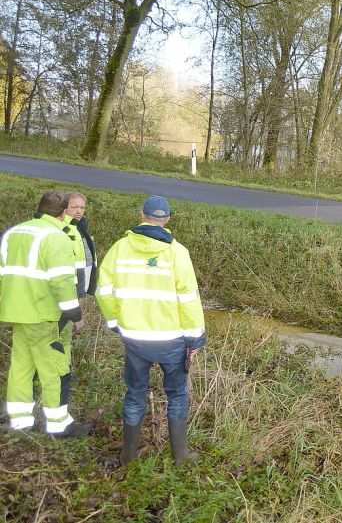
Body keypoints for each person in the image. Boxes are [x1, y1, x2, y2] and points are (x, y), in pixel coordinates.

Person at [96, 195, 206, 466]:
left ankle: (128, 457)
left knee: (134, 393)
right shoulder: (177, 253)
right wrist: (194, 340)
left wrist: (115, 324)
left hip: (135, 338)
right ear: (167, 219)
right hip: (171, 339)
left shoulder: (120, 248)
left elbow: (104, 292)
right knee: (177, 394)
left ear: (142, 215)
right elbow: (189, 299)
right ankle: (181, 457)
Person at [1, 190, 91, 438]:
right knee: (53, 368)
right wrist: (75, 314)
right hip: (44, 314)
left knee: (21, 366)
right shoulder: (56, 237)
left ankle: (20, 422)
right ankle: (58, 424)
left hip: (16, 312)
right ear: (63, 213)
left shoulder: (14, 232)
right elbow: (62, 281)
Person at [64, 192, 98, 296]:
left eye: (82, 207)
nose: (79, 211)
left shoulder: (81, 227)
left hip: (81, 284)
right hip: (68, 286)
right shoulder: (62, 228)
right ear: (64, 208)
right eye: (74, 207)